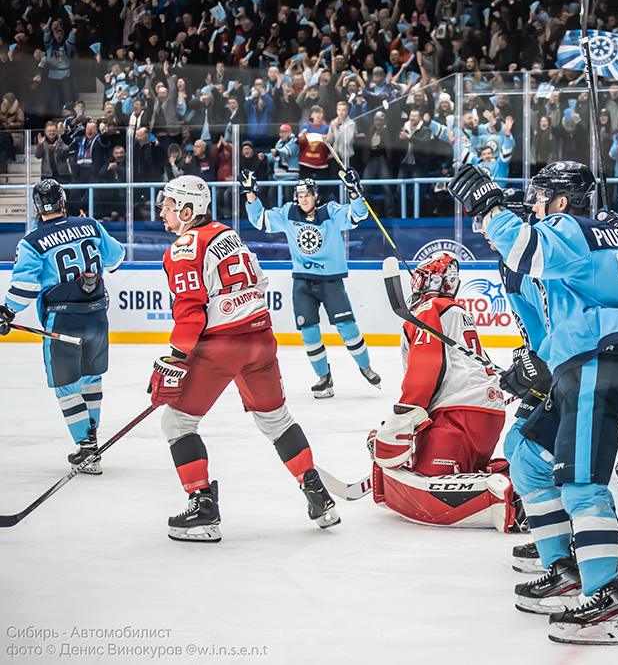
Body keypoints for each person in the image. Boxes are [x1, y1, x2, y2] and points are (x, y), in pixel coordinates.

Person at [448, 161, 618, 645]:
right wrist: (537, 366)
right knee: (527, 459)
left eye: (541, 197)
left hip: (594, 366)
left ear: (563, 202)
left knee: (581, 484)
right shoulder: (605, 237)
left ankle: (604, 598)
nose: (535, 206)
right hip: (590, 364)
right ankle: (564, 566)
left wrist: (490, 204)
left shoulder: (568, 230)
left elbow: (527, 247)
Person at [150, 174, 340, 543]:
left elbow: (191, 314)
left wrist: (175, 359)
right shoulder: (228, 234)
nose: (162, 212)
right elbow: (260, 282)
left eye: (169, 206)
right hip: (261, 340)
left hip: (221, 347)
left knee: (176, 424)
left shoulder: (183, 249)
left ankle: (203, 508)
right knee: (276, 421)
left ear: (188, 211)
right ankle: (318, 495)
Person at [368, 253, 520, 531]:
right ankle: (523, 480)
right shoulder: (456, 311)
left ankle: (504, 498)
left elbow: (426, 366)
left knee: (426, 484)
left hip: (457, 417)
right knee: (471, 471)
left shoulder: (428, 311)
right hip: (487, 416)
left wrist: (404, 414)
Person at [1, 180, 125, 474]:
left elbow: (26, 287)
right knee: (91, 379)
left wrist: (6, 311)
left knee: (66, 385)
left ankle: (87, 447)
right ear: (63, 202)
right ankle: (92, 441)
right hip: (96, 314)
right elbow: (116, 259)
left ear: (36, 207)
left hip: (63, 319)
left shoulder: (32, 241)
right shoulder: (91, 225)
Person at [240, 169, 381, 397]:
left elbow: (359, 215)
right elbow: (260, 220)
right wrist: (250, 193)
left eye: (307, 194)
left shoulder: (331, 212)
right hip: (303, 282)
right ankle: (323, 377)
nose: (303, 199)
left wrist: (355, 192)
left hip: (331, 280)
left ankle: (366, 367)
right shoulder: (288, 213)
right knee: (309, 331)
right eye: (300, 195)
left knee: (347, 327)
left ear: (316, 196)